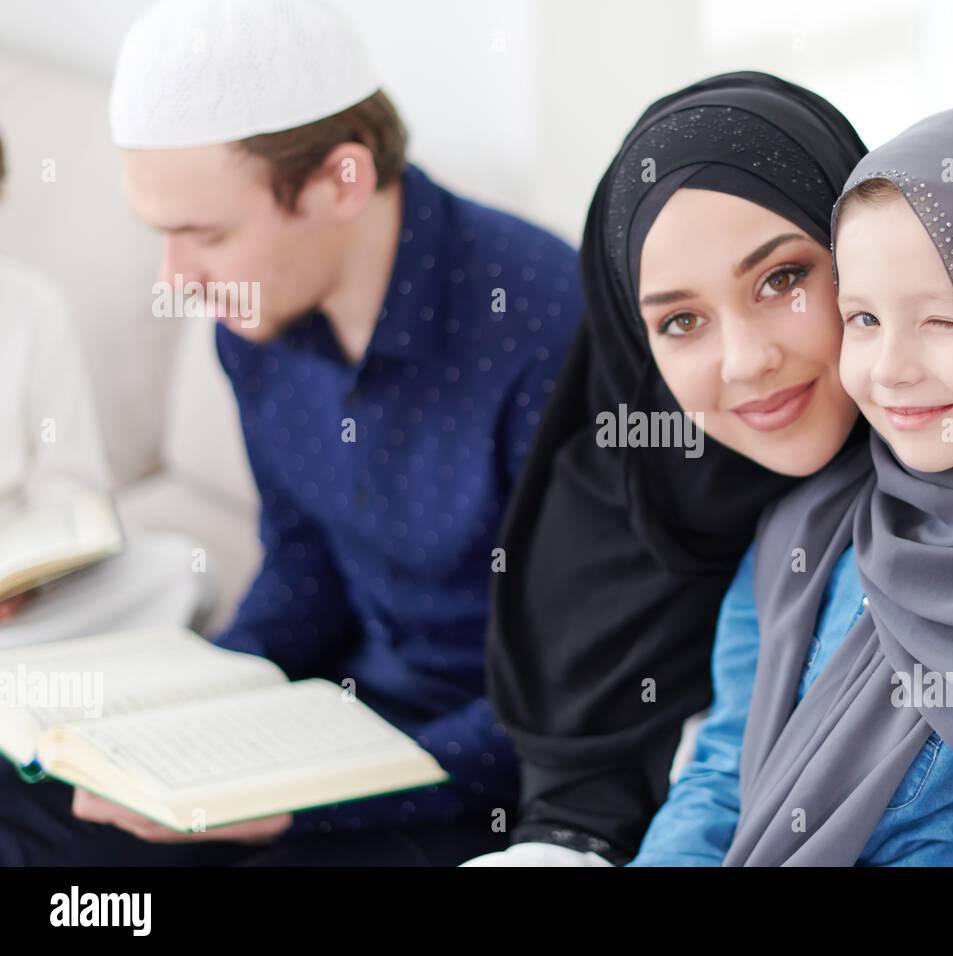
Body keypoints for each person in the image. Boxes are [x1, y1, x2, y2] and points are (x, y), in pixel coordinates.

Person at [470, 75, 953, 866]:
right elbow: (700, 778)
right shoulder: (772, 524)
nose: (747, 361)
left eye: (783, 279)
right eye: (680, 320)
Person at [0, 0, 582, 866]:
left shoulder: (546, 324)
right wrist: (185, 711)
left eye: (206, 236)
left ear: (341, 181)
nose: (176, 280)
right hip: (320, 722)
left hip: (472, 774)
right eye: (160, 237)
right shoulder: (254, 324)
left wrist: (298, 811)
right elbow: (304, 568)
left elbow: (576, 707)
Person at [0, 132, 215, 645]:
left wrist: (33, 572)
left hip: (13, 557)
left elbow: (71, 479)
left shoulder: (34, 305)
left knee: (182, 574)